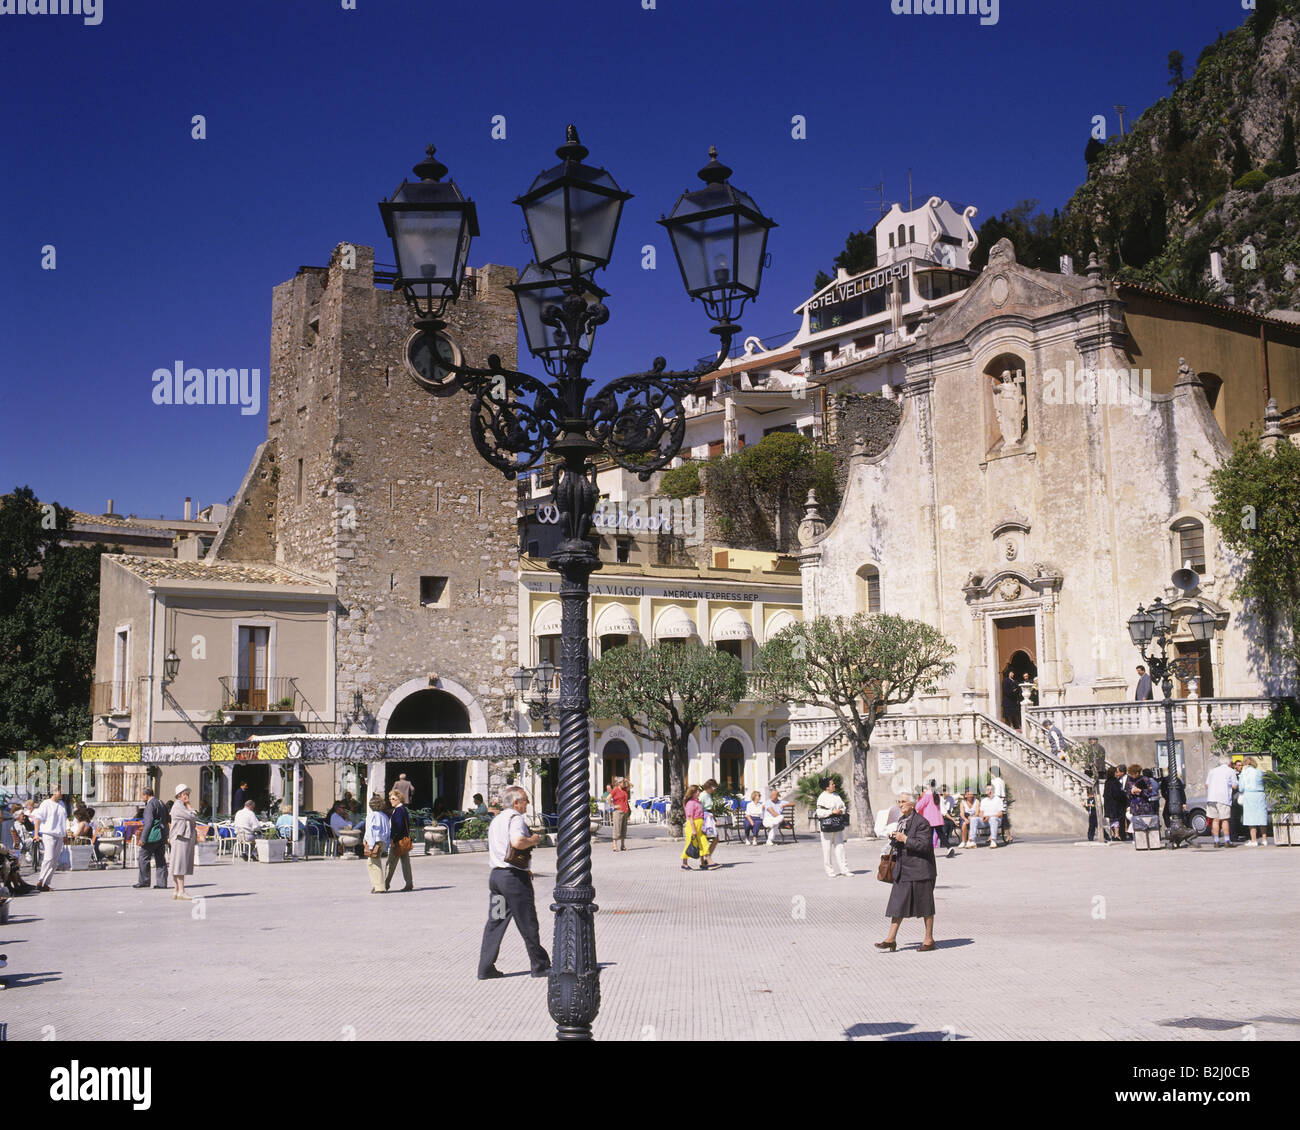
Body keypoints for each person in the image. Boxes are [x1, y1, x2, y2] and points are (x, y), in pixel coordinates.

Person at [477, 784, 550, 980]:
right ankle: (540, 965)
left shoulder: (497, 820)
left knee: (496, 921)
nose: (527, 804)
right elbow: (517, 842)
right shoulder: (516, 819)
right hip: (514, 880)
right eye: (526, 800)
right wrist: (534, 839)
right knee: (528, 921)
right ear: (516, 802)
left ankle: (485, 967)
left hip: (497, 878)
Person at [876, 792, 937, 952]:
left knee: (926, 906)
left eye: (903, 802)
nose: (900, 805)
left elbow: (925, 846)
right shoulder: (901, 821)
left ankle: (929, 940)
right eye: (898, 802)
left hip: (921, 870)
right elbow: (903, 843)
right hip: (903, 869)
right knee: (897, 904)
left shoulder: (922, 822)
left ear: (912, 804)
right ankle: (891, 939)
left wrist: (905, 839)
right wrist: (895, 839)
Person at [32, 785, 68, 893]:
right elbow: (38, 818)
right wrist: (36, 834)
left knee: (55, 860)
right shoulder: (46, 804)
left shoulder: (62, 804)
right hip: (49, 834)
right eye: (60, 791)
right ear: (54, 792)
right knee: (49, 858)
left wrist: (64, 834)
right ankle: (40, 880)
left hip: (59, 835)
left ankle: (46, 883)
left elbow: (63, 820)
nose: (62, 793)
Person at [133, 786, 170, 888]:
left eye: (142, 795)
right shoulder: (161, 803)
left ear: (146, 795)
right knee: (160, 860)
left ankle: (144, 881)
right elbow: (167, 818)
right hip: (161, 835)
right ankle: (162, 883)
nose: (142, 797)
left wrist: (143, 838)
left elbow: (148, 822)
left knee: (143, 857)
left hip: (152, 835)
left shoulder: (150, 805)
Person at [815, 776, 850, 878]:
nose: (834, 785)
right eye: (832, 784)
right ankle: (829, 871)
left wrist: (841, 811)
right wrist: (831, 811)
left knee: (840, 847)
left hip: (837, 824)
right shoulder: (822, 797)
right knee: (827, 849)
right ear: (827, 787)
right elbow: (819, 812)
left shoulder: (836, 795)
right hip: (827, 826)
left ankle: (844, 870)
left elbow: (843, 807)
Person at [169, 785, 199, 900]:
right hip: (180, 838)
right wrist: (189, 805)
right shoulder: (178, 806)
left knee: (177, 864)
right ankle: (181, 891)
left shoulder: (180, 806)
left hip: (181, 838)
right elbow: (193, 815)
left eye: (188, 794)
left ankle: (176, 890)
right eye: (185, 794)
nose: (187, 796)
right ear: (180, 795)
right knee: (179, 865)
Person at [1205, 756, 1239, 848]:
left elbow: (1207, 785)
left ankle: (1216, 841)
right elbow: (1235, 786)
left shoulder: (1212, 771)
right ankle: (1227, 840)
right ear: (1229, 763)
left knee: (1215, 820)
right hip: (1223, 798)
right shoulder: (1230, 771)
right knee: (1225, 820)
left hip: (1211, 797)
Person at [384, 788, 414, 892]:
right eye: (390, 798)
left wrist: (393, 839)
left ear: (399, 799)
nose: (390, 800)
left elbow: (398, 826)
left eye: (393, 798)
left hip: (398, 842)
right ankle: (409, 883)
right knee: (405, 863)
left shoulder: (398, 811)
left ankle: (385, 884)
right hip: (404, 841)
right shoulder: (403, 809)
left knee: (390, 863)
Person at [362, 792, 391, 894]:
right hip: (382, 841)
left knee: (374, 863)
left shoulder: (371, 816)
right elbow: (388, 830)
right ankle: (376, 885)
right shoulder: (384, 816)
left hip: (375, 841)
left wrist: (368, 843)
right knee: (371, 862)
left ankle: (379, 886)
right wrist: (386, 844)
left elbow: (370, 830)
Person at [1237, 757, 1269, 846]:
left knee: (1251, 818)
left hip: (1249, 795)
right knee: (1262, 816)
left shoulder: (1244, 773)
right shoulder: (1259, 772)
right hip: (1260, 794)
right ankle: (1264, 839)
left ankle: (1254, 840)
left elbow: (1241, 787)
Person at [681, 785, 711, 870]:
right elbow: (690, 817)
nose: (699, 793)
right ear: (693, 793)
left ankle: (702, 862)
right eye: (697, 791)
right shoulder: (690, 803)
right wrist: (694, 829)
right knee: (690, 844)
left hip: (700, 824)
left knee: (703, 843)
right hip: (692, 825)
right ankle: (684, 863)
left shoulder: (697, 802)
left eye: (699, 791)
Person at [700, 779, 721, 866]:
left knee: (715, 838)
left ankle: (706, 859)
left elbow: (711, 808)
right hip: (704, 817)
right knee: (704, 839)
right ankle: (705, 861)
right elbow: (700, 807)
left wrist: (715, 819)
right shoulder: (703, 795)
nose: (714, 790)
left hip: (710, 817)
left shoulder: (709, 795)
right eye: (713, 788)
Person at [1102, 765, 1125, 843]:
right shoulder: (1115, 782)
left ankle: (1112, 834)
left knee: (1111, 819)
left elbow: (1105, 794)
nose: (1117, 774)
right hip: (1115, 804)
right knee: (1116, 819)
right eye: (1116, 772)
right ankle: (1117, 834)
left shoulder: (1107, 782)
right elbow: (1117, 794)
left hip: (1108, 804)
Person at [609, 777, 630, 852]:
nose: (624, 783)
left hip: (625, 811)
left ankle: (623, 845)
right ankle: (614, 846)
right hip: (618, 812)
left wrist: (626, 780)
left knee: (623, 829)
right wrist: (614, 806)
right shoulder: (615, 790)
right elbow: (608, 798)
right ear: (618, 783)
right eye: (622, 782)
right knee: (617, 828)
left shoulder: (624, 789)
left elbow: (631, 786)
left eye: (624, 782)